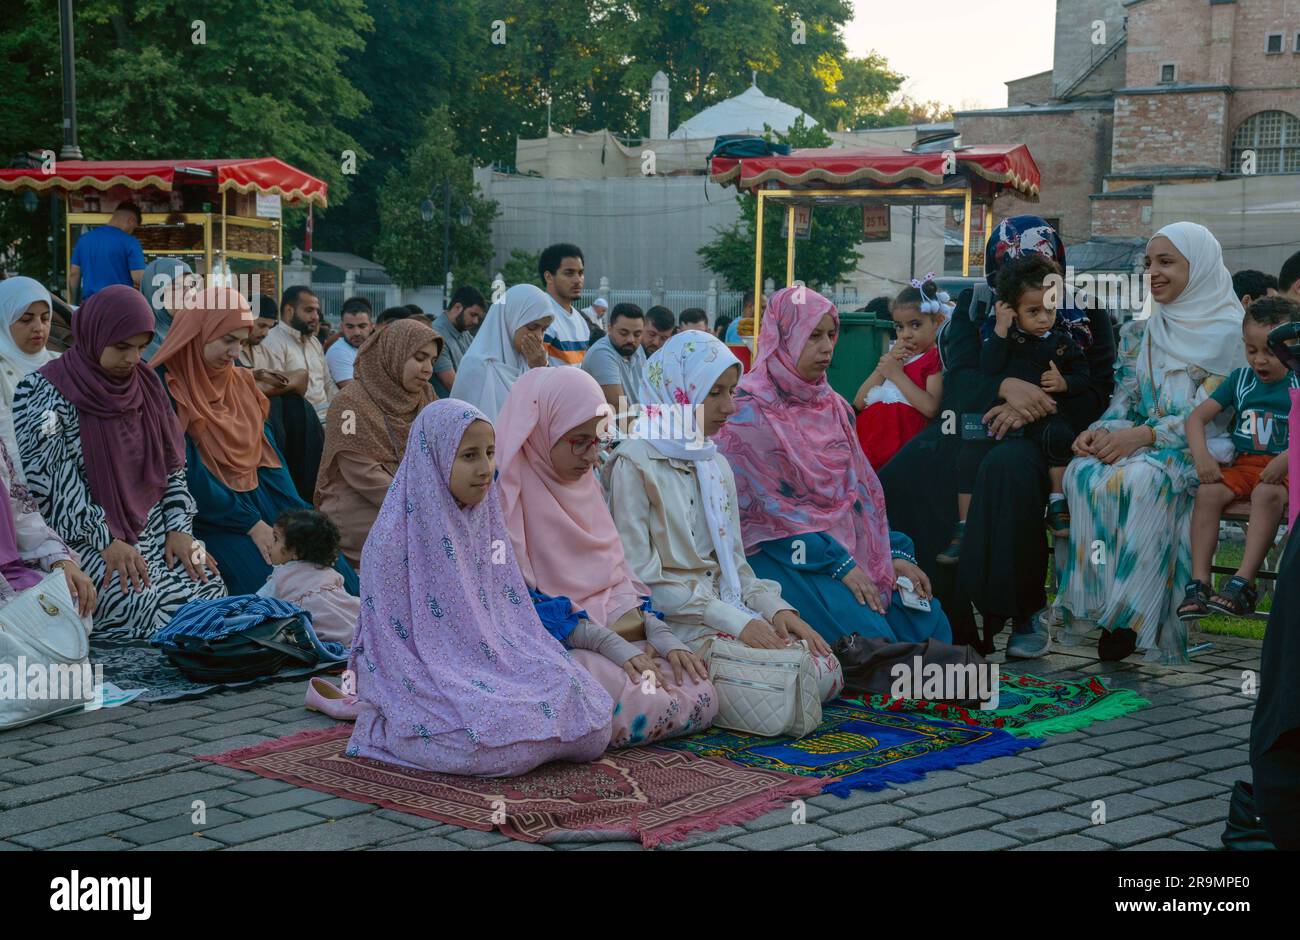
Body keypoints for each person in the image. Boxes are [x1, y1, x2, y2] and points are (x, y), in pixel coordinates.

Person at [878, 217, 1117, 658]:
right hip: (970, 423)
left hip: (1046, 436)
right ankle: (937, 611)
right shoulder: (976, 304)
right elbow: (962, 378)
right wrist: (1005, 388)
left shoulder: (1088, 312)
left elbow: (1100, 390)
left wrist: (1032, 405)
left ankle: (1023, 611)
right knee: (901, 476)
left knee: (1004, 471)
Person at [345, 400, 613, 776]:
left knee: (591, 718)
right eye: (469, 456)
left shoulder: (485, 522)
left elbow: (511, 616)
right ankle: (392, 733)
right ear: (432, 459)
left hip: (501, 663)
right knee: (487, 744)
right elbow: (390, 649)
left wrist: (510, 667)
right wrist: (463, 680)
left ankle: (523, 730)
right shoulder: (392, 541)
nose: (486, 469)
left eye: (489, 453)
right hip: (430, 678)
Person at [607, 331, 842, 700]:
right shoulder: (635, 463)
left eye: (731, 392)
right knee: (790, 683)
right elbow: (642, 584)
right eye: (714, 394)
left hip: (727, 610)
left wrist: (775, 610)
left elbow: (735, 565)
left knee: (822, 666)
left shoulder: (712, 462)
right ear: (677, 393)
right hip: (678, 624)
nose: (729, 407)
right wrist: (737, 622)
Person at [714, 288, 953, 648]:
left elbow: (863, 496)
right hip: (786, 554)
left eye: (831, 335)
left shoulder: (834, 407)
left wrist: (891, 553)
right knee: (869, 636)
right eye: (813, 336)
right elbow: (764, 517)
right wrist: (838, 564)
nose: (827, 347)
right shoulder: (748, 411)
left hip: (850, 546)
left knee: (928, 623)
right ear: (783, 336)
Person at [496, 368, 718, 747]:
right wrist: (605, 644)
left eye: (597, 441)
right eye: (577, 442)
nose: (590, 456)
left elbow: (619, 577)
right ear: (541, 432)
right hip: (555, 643)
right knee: (642, 698)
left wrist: (661, 634)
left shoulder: (586, 487)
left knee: (697, 686)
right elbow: (514, 604)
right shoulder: (506, 497)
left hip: (617, 629)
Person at [1057, 222, 1244, 663]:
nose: (1153, 273)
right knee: (1082, 472)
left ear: (1197, 268)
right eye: (1148, 264)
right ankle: (1104, 607)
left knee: (1140, 481)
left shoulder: (1230, 335)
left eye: (1166, 262)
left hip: (1200, 449)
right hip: (1144, 441)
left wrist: (1143, 436)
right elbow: (1127, 398)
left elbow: (1212, 417)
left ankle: (1136, 615)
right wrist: (1100, 430)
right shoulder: (1145, 331)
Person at [13, 285, 223, 639]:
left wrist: (181, 529)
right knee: (135, 601)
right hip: (83, 536)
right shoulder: (42, 391)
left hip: (156, 530)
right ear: (93, 336)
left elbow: (173, 468)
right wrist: (106, 540)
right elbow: (51, 483)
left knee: (210, 582)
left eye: (141, 347)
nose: (133, 358)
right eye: (122, 347)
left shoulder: (147, 386)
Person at [150, 286, 358, 597]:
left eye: (241, 343)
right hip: (203, 518)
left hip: (262, 505)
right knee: (271, 583)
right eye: (227, 341)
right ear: (198, 333)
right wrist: (250, 523)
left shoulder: (239, 384)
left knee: (330, 568)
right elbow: (187, 477)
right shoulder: (167, 389)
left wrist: (297, 521)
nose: (236, 354)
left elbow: (269, 460)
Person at [941, 255, 1089, 563]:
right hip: (1000, 419)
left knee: (1059, 438)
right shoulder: (1007, 338)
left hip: (1043, 419)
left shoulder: (1061, 340)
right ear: (1012, 308)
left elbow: (1083, 377)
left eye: (1049, 309)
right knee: (968, 457)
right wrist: (1000, 328)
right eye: (1033, 311)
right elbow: (987, 367)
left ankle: (1058, 501)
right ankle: (964, 525)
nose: (1043, 318)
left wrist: (1064, 384)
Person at [1181, 296, 1300, 620]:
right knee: (1208, 492)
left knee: (1267, 494)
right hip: (1247, 464)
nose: (1260, 360)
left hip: (1289, 467)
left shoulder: (1297, 378)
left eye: (1271, 351)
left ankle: (1242, 581)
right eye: (1252, 350)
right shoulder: (1241, 380)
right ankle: (1200, 582)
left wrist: (1288, 457)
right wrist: (1202, 457)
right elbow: (1195, 419)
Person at [316, 320, 440, 569]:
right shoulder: (349, 404)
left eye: (432, 361)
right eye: (419, 357)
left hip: (415, 498)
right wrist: (422, 505)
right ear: (393, 352)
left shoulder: (425, 397)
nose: (427, 369)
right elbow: (361, 473)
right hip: (361, 501)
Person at [852, 279, 948, 471]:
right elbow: (858, 403)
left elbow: (931, 407)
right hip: (869, 443)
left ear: (937, 322)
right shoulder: (894, 357)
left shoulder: (933, 358)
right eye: (899, 326)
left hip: (902, 448)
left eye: (915, 325)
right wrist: (885, 368)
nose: (906, 334)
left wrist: (896, 375)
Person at [239, 294, 323, 504]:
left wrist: (263, 382)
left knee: (296, 407)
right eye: (260, 326)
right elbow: (251, 387)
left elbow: (301, 378)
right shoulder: (269, 344)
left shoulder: (261, 347)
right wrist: (260, 382)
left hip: (306, 413)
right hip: (250, 424)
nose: (264, 333)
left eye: (269, 327)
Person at [256, 509, 359, 646]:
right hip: (352, 625)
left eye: (276, 539)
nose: (270, 544)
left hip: (323, 634)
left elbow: (258, 602)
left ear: (295, 551)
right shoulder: (327, 570)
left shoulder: (282, 577)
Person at [449, 284, 552, 421]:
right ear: (510, 320)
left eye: (544, 329)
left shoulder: (529, 364)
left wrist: (540, 370)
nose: (539, 336)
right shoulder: (477, 366)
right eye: (533, 327)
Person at [0, 277, 60, 482]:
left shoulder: (61, 363)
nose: (38, 327)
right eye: (26, 319)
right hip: (18, 485)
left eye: (45, 318)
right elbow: (6, 437)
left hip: (65, 479)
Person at [258, 286, 336, 423]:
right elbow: (276, 392)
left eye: (317, 311)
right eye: (309, 310)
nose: (316, 317)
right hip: (300, 424)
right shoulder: (272, 341)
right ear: (289, 311)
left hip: (329, 419)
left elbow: (328, 383)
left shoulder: (314, 342)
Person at [68, 203, 146, 302]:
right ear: (131, 221)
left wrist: (74, 303)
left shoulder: (84, 239)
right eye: (134, 228)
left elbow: (74, 274)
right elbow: (138, 278)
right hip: (120, 303)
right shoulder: (130, 242)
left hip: (90, 304)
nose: (132, 231)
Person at [580, 302, 646, 412]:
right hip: (608, 426)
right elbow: (618, 406)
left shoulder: (636, 349)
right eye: (624, 333)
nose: (631, 339)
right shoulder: (601, 353)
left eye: (637, 334)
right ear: (609, 328)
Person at [538, 243, 591, 365]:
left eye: (580, 273)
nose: (578, 280)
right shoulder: (541, 316)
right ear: (548, 277)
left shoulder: (581, 321)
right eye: (569, 273)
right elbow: (536, 370)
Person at [430, 285, 486, 398]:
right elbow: (452, 385)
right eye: (473, 315)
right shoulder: (436, 335)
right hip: (445, 409)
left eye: (478, 318)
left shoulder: (465, 333)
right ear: (457, 307)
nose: (475, 321)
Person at [139, 257, 193, 360]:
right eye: (176, 288)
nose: (188, 295)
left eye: (191, 286)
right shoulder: (137, 345)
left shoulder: (197, 334)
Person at [324, 298, 374, 389]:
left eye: (362, 326)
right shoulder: (338, 352)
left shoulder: (371, 348)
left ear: (371, 326)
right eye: (350, 327)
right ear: (342, 327)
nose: (357, 332)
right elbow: (354, 393)